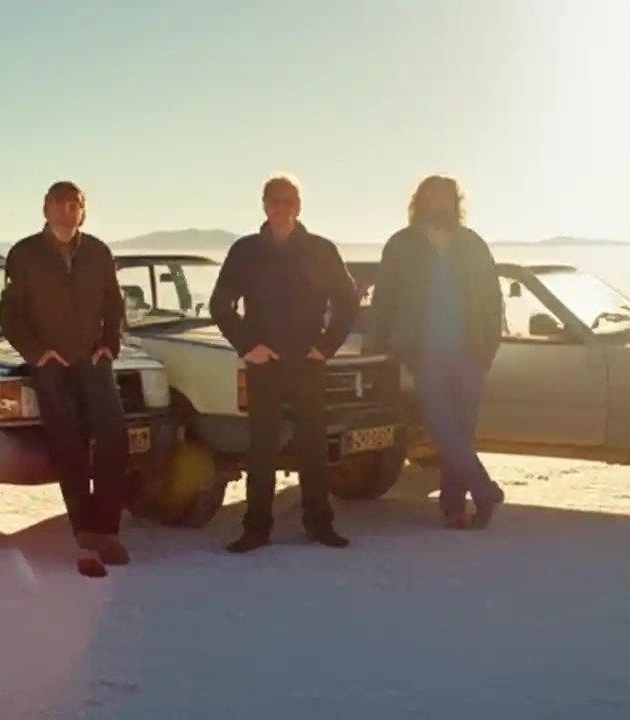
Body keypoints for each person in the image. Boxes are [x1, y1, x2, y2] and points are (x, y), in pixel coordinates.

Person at [209, 173, 360, 553]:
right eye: (275, 200)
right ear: (264, 204)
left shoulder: (321, 250)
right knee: (262, 448)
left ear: (299, 205)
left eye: (289, 200)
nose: (282, 207)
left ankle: (319, 523)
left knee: (312, 446)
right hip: (265, 363)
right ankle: (256, 528)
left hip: (308, 362)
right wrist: (248, 346)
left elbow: (347, 302)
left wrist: (325, 346)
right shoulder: (245, 251)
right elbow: (220, 305)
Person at [0, 180, 129, 578]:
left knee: (114, 437)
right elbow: (11, 315)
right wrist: (39, 354)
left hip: (94, 360)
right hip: (51, 364)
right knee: (68, 444)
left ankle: (107, 528)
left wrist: (110, 344)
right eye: (58, 204)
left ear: (82, 210)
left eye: (73, 204)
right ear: (46, 209)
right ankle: (85, 531)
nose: (65, 210)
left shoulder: (98, 252)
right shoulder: (25, 254)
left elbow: (114, 303)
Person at [367, 174, 506, 529]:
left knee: (461, 430)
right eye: (432, 198)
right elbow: (383, 299)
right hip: (423, 352)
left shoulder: (472, 245)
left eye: (445, 198)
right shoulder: (401, 245)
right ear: (420, 203)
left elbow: (493, 299)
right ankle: (483, 489)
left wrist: (487, 347)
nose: (438, 204)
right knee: (442, 426)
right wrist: (378, 344)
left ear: (455, 203)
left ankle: (454, 507)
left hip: (469, 353)